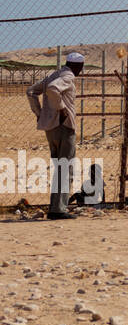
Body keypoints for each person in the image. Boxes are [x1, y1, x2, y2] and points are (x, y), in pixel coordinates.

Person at [26, 51, 84, 219]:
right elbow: (52, 90)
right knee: (66, 167)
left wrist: (40, 113)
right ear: (77, 65)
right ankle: (59, 209)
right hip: (63, 126)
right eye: (81, 67)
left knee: (59, 167)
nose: (81, 70)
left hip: (50, 128)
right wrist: (62, 109)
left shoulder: (54, 74)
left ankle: (55, 207)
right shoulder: (67, 76)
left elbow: (31, 91)